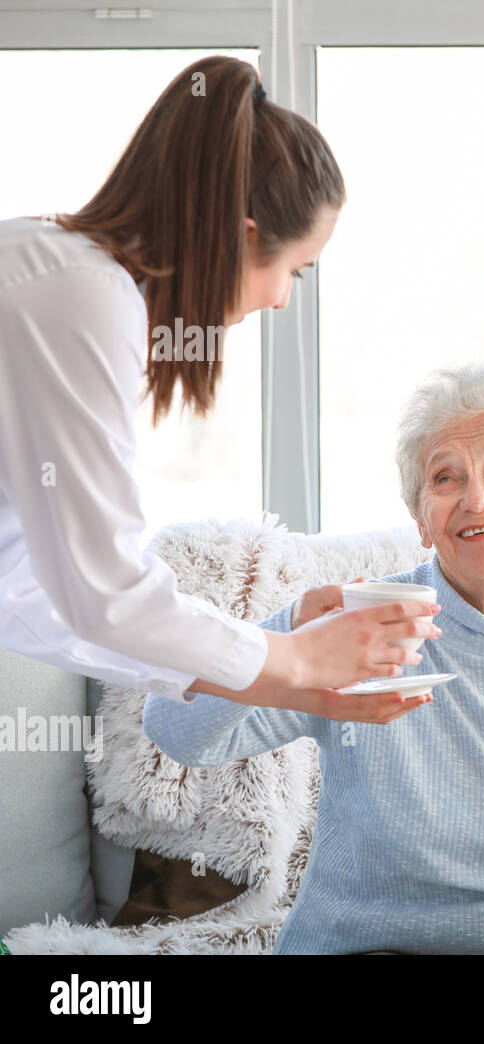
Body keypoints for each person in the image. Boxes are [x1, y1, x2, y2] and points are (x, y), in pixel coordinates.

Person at [142, 365, 484, 954]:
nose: (476, 499)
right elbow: (177, 731)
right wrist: (290, 637)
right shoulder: (366, 632)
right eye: (446, 478)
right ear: (422, 520)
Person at [0, 56, 437, 725]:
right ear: (244, 237)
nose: (285, 300)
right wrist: (295, 660)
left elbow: (33, 595)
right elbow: (103, 593)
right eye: (298, 270)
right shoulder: (79, 296)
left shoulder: (70, 284)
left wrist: (280, 663)